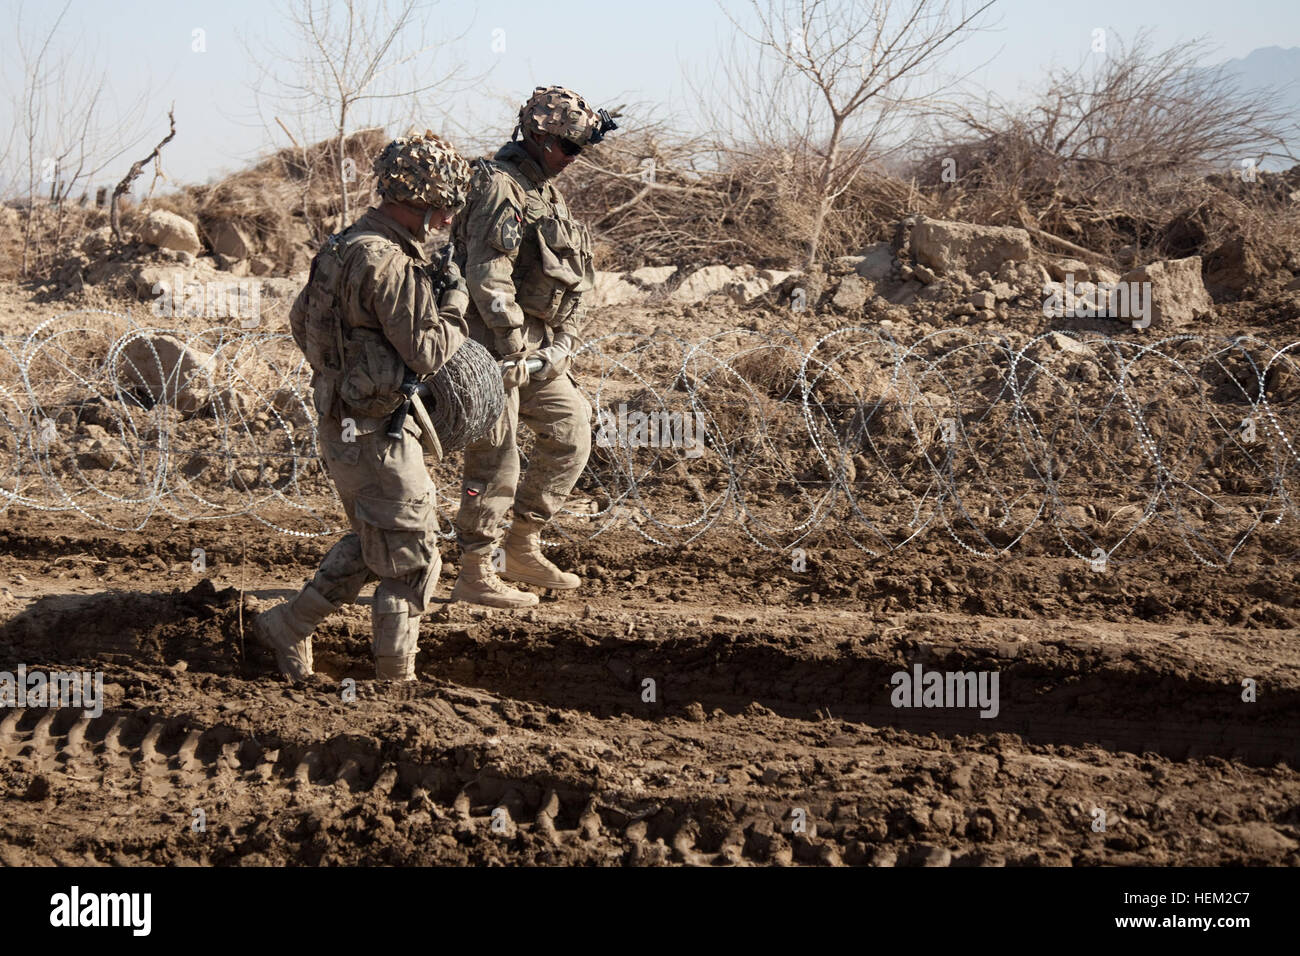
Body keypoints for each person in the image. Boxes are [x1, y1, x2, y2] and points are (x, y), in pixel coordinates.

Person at [253, 131, 472, 681]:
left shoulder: (339, 246)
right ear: (419, 202)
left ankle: (285, 627)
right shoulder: (390, 264)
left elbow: (302, 324)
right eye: (444, 209)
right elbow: (427, 352)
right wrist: (454, 301)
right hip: (380, 437)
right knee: (413, 561)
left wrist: (347, 374)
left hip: (343, 429)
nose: (447, 221)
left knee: (375, 542)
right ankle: (394, 682)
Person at [450, 85, 617, 608]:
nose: (574, 157)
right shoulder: (500, 185)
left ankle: (522, 545)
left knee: (570, 431)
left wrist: (554, 345)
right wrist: (511, 346)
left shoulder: (542, 189)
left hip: (537, 346)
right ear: (540, 137)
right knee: (495, 459)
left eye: (579, 148)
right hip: (491, 345)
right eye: (568, 147)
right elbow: (488, 277)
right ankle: (475, 569)